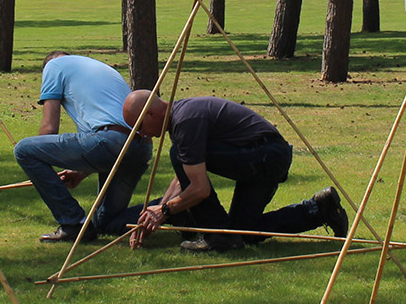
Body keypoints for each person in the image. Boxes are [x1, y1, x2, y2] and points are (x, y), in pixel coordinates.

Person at [122, 91, 347, 252]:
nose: (142, 135)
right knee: (240, 234)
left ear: (150, 114)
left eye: (139, 127)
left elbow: (199, 188)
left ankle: (215, 234)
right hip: (267, 156)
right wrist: (156, 216)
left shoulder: (186, 120)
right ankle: (319, 209)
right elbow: (184, 177)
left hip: (265, 156)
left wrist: (165, 210)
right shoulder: (182, 116)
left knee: (176, 155)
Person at [13, 51, 151, 243]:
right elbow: (104, 136)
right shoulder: (97, 69)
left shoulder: (54, 66)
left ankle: (73, 223)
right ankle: (171, 207)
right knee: (106, 224)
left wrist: (42, 175)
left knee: (25, 150)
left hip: (112, 142)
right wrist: (80, 172)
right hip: (140, 146)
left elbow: (49, 128)